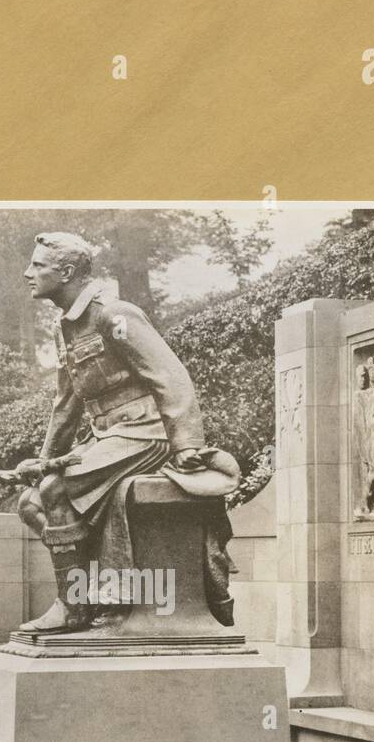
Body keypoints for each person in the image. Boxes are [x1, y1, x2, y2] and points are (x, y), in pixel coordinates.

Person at [12, 230, 235, 633]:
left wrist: (186, 444)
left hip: (146, 433)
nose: (28, 273)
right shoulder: (67, 327)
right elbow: (66, 403)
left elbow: (171, 376)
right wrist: (45, 461)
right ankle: (94, 589)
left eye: (37, 266)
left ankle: (73, 606)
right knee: (31, 501)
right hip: (107, 438)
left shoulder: (114, 314)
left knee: (56, 490)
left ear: (64, 272)